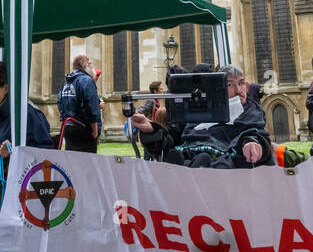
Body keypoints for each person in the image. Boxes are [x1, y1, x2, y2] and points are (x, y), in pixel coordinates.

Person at [129, 65, 272, 169]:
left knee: (219, 163)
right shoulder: (198, 108)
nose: (238, 90)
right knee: (184, 160)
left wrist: (251, 142)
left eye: (241, 83)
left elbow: (255, 132)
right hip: (189, 152)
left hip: (226, 159)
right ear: (217, 87)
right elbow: (172, 137)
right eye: (230, 84)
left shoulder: (250, 109)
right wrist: (152, 130)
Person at [57, 53, 101, 152]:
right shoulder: (87, 80)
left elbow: (60, 103)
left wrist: (64, 120)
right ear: (82, 63)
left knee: (72, 163)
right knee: (86, 163)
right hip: (84, 130)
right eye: (88, 60)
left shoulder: (66, 82)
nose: (91, 62)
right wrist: (95, 130)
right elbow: (90, 106)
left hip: (68, 128)